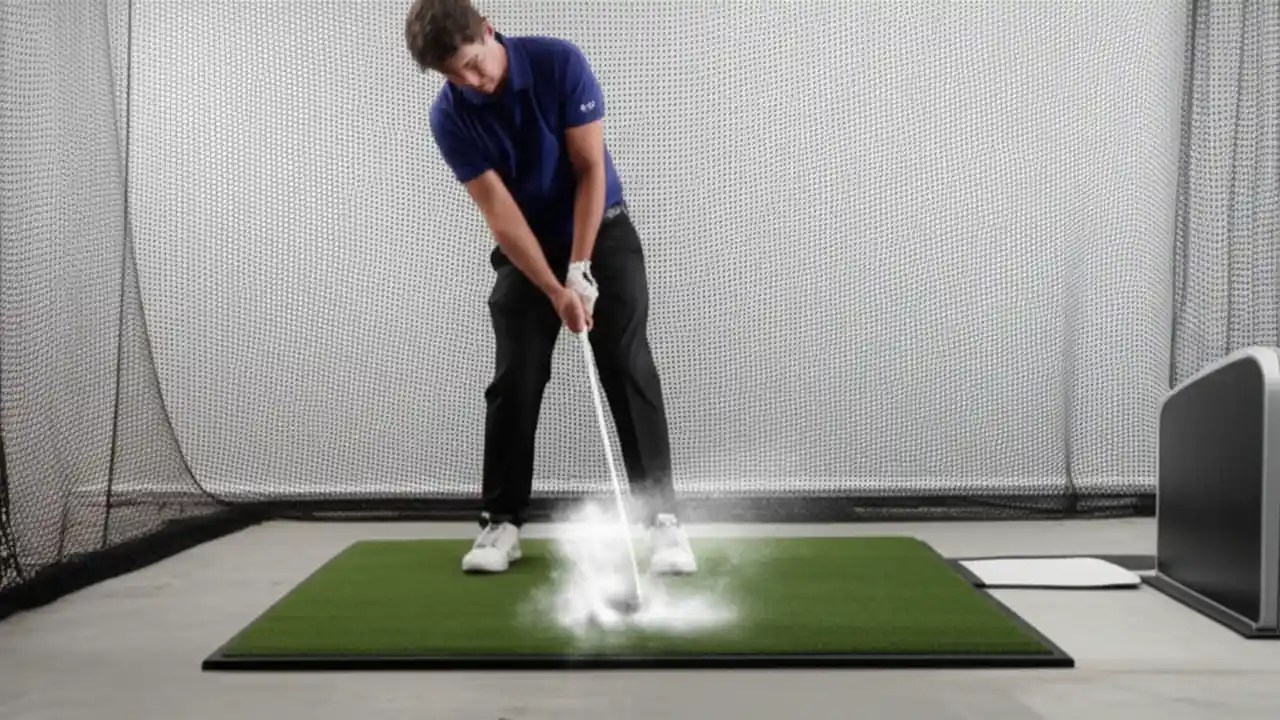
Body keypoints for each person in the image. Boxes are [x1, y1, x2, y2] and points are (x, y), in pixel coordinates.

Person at [403, 0, 696, 576]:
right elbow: (500, 213)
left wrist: (580, 270)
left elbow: (589, 168)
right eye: (453, 75)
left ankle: (662, 521)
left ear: (489, 31)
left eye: (473, 64)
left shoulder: (559, 63)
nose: (470, 82)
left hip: (601, 227)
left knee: (626, 362)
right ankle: (501, 522)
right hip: (529, 245)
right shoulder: (449, 115)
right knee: (516, 375)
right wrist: (552, 286)